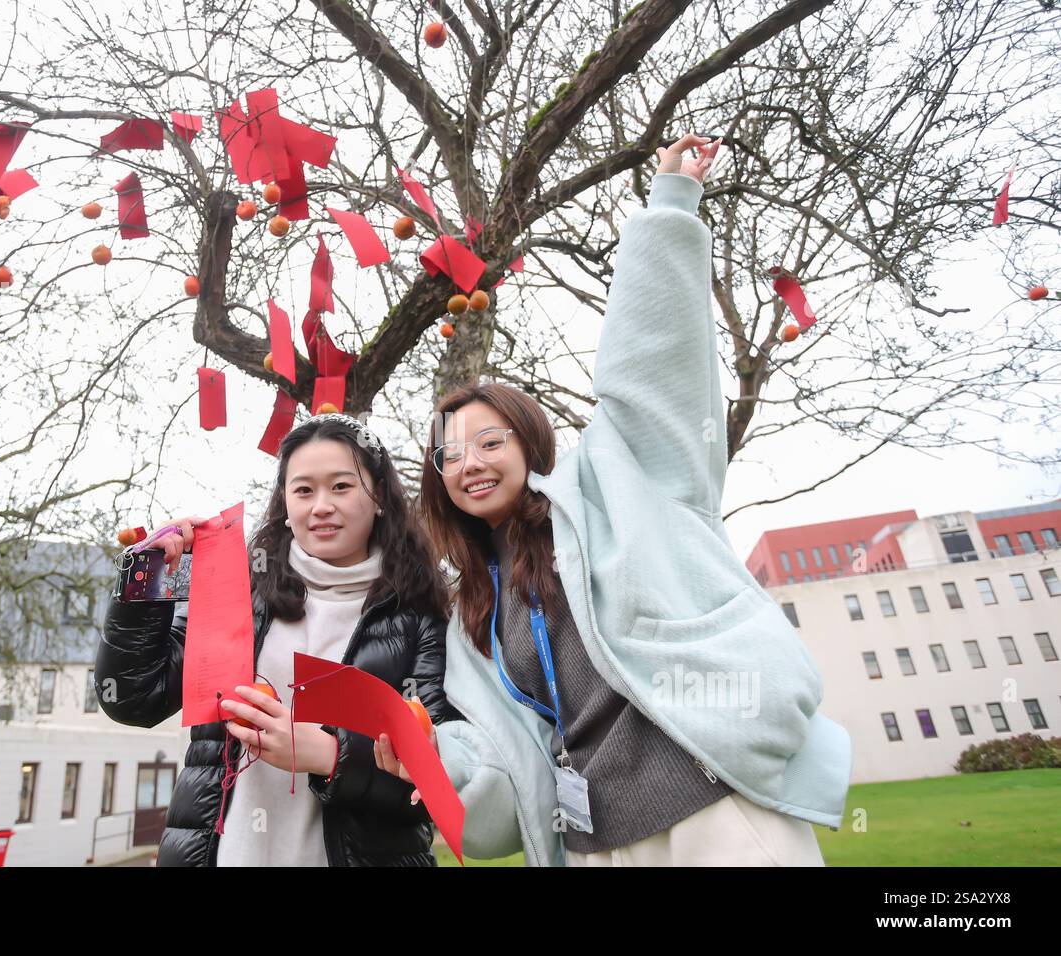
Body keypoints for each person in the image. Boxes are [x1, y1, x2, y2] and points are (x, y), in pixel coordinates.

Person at [376, 133, 851, 866]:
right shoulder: (470, 607)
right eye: (448, 454)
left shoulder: (616, 486)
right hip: (597, 844)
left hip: (711, 807)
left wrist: (668, 207)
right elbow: (508, 753)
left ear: (530, 443)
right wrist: (433, 761)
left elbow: (649, 363)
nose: (468, 463)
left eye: (489, 441)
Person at [96, 412, 457, 866]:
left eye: (342, 487)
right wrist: (145, 578)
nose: (321, 505)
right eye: (303, 490)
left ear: (379, 495)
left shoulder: (422, 615)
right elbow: (133, 698)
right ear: (285, 502)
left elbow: (437, 781)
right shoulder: (242, 593)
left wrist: (330, 755)